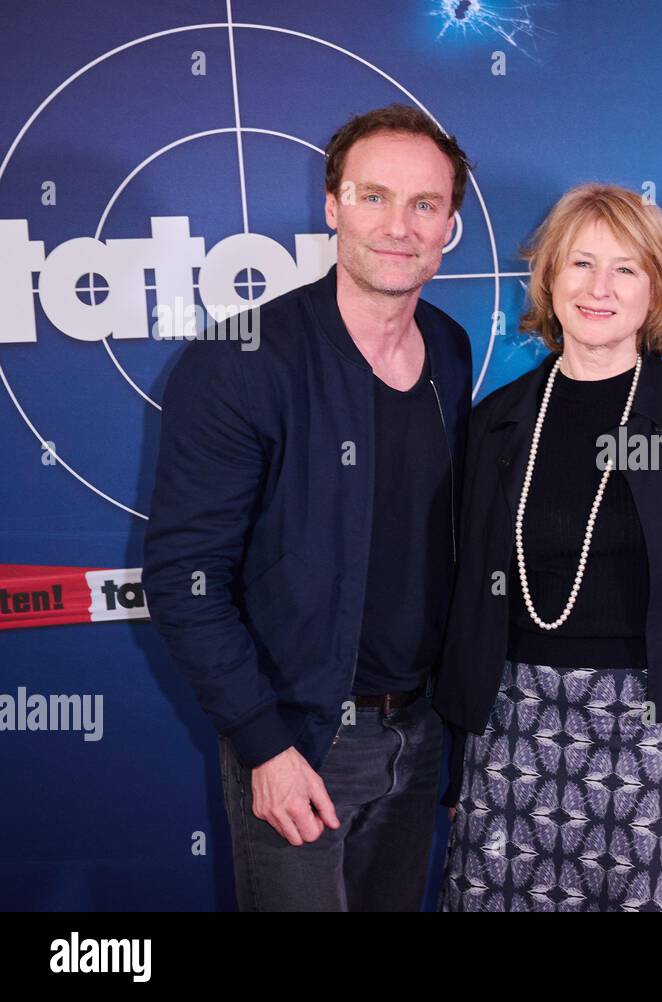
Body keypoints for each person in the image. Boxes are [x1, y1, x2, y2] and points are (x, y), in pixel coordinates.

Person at [142, 104, 473, 911]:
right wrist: (266, 746)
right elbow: (186, 576)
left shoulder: (452, 348)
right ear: (332, 208)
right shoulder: (240, 361)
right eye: (373, 198)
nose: (399, 227)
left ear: (450, 225)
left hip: (424, 731)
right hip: (303, 738)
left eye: (424, 205)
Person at [434, 183, 662, 912]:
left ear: (656, 291)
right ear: (549, 279)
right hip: (510, 734)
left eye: (625, 269)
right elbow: (467, 608)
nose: (599, 288)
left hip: (658, 735)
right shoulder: (496, 424)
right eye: (581, 264)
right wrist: (460, 768)